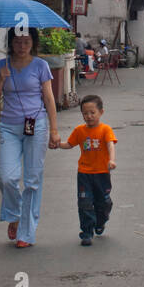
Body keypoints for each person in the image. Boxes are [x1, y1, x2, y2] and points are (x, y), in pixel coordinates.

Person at [0, 27, 60, 247]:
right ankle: (15, 215)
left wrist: (54, 130)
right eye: (18, 42)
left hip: (36, 125)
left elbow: (49, 99)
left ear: (33, 43)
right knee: (6, 177)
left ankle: (26, 233)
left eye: (26, 42)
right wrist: (0, 80)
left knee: (32, 180)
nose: (22, 47)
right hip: (9, 127)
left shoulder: (41, 66)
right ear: (11, 43)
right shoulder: (1, 65)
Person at [59, 93, 117, 246]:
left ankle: (100, 221)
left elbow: (110, 145)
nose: (89, 116)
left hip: (102, 174)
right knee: (84, 203)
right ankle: (86, 232)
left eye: (92, 112)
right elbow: (69, 144)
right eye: (85, 113)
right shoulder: (79, 131)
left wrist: (111, 160)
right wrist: (57, 144)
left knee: (103, 202)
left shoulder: (105, 130)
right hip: (84, 173)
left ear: (101, 112)